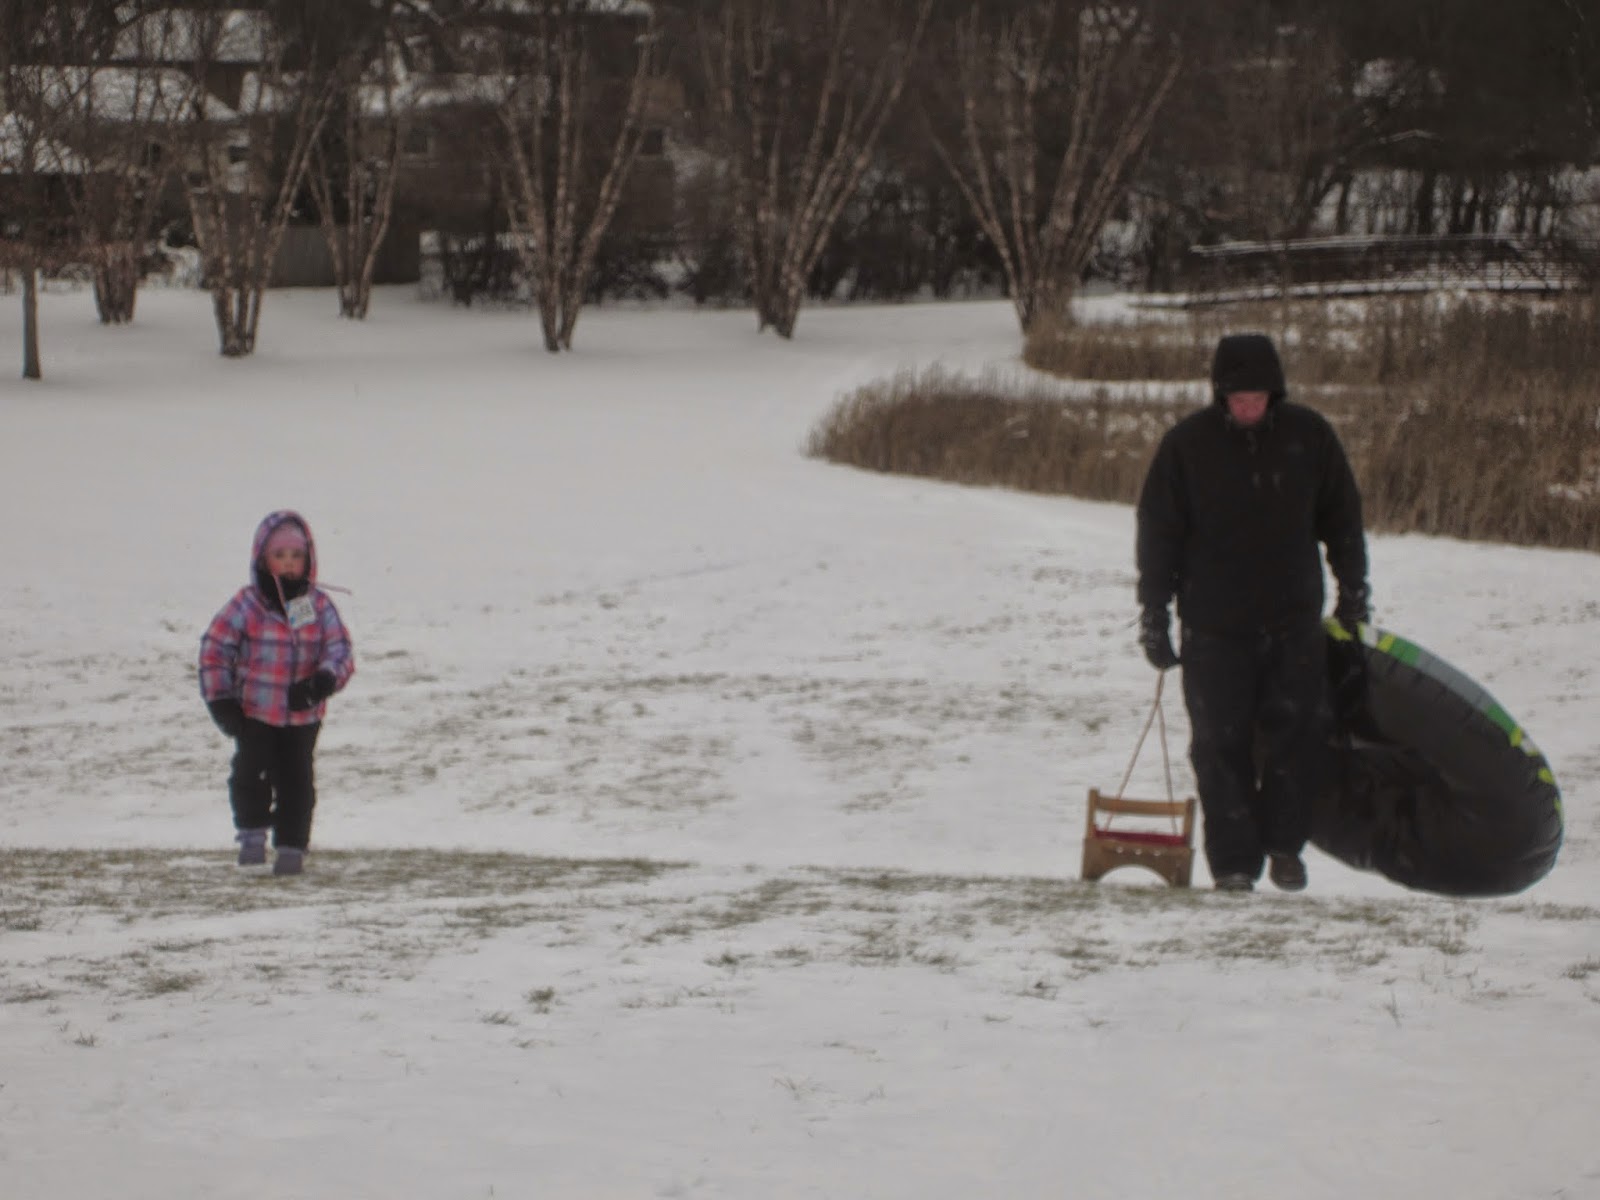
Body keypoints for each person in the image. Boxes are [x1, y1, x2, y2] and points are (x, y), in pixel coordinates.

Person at [1134, 333, 1368, 893]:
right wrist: (1153, 613)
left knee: (1297, 738)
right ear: (1220, 395)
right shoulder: (1186, 447)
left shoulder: (1309, 439)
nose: (1246, 406)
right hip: (1214, 629)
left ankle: (1285, 847)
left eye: (1256, 396)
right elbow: (1158, 535)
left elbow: (1342, 520)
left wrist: (1354, 592)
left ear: (1275, 392)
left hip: (1293, 624)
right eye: (1236, 397)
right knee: (1219, 745)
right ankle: (1235, 864)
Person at [198, 511, 355, 876]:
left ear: (308, 560)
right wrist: (221, 699)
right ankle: (251, 839)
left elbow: (340, 651)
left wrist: (323, 682)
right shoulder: (248, 605)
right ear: (262, 559)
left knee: (297, 781)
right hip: (254, 713)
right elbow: (215, 648)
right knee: (250, 774)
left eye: (296, 557)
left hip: (303, 716)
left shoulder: (317, 606)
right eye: (279, 556)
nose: (288, 564)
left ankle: (291, 848)